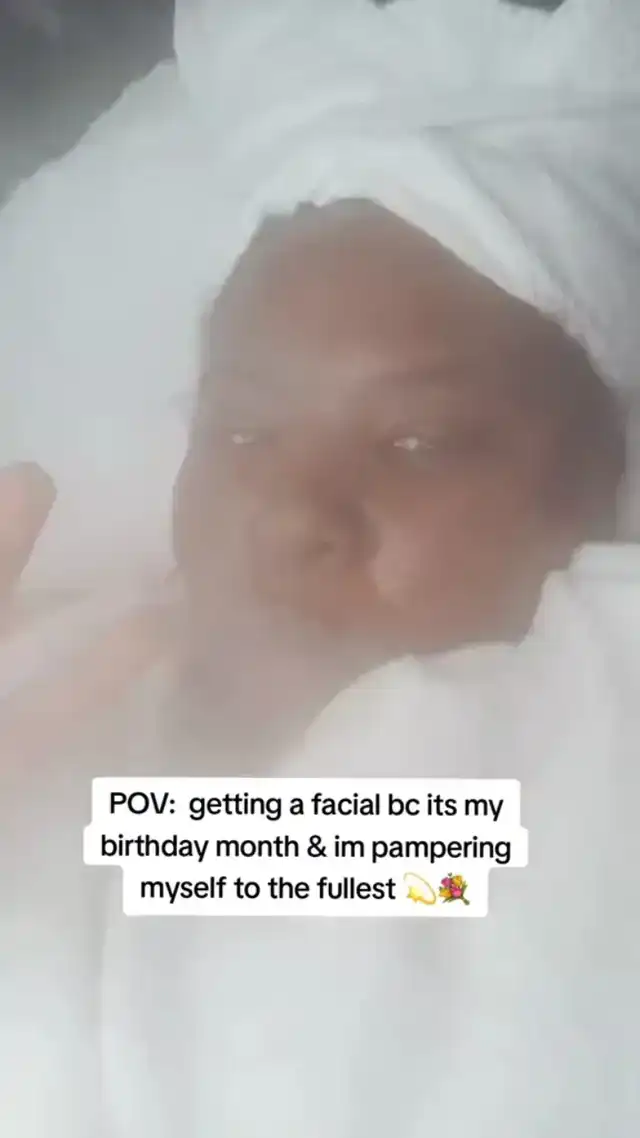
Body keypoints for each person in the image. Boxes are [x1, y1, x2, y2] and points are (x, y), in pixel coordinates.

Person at [1, 2, 640, 1137]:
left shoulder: (595, 698)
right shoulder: (73, 674)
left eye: (417, 443)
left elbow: (436, 855)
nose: (293, 515)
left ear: (598, 487)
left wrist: (125, 835)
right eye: (241, 431)